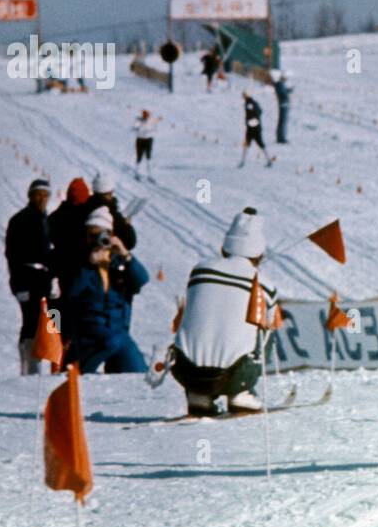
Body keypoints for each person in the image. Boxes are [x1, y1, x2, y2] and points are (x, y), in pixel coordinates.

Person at [171, 207, 278, 415]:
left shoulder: (200, 269)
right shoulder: (264, 284)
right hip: (234, 373)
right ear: (259, 253)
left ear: (224, 247)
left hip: (185, 371)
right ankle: (241, 394)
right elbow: (269, 321)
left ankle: (198, 396)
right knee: (264, 330)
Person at [60, 207, 150, 373]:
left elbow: (142, 279)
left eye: (101, 235)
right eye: (92, 235)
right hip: (89, 333)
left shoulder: (118, 261)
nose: (96, 240)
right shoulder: (78, 261)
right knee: (78, 372)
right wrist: (88, 265)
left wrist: (125, 254)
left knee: (138, 370)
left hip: (118, 332)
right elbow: (70, 292)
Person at [4, 179, 56, 374]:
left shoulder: (47, 220)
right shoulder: (20, 220)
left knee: (47, 321)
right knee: (31, 321)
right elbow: (13, 255)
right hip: (27, 278)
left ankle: (41, 363)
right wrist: (19, 285)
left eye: (45, 194)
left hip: (44, 278)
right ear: (30, 196)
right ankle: (29, 365)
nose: (42, 198)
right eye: (38, 194)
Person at [49, 177, 93, 289]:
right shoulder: (91, 215)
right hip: (86, 269)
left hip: (62, 269)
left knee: (60, 304)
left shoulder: (57, 216)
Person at [85, 172, 138, 251]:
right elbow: (130, 242)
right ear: (109, 192)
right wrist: (128, 225)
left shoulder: (86, 204)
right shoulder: (110, 212)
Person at [239, 91, 274, 166]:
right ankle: (268, 160)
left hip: (252, 127)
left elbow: (251, 113)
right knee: (260, 143)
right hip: (257, 126)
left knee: (248, 143)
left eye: (244, 95)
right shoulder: (255, 103)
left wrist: (250, 121)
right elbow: (260, 111)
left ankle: (242, 162)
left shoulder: (249, 104)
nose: (243, 97)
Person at [133, 109, 158, 177]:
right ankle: (136, 172)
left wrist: (147, 131)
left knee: (148, 156)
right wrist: (139, 129)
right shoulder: (138, 120)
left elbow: (155, 130)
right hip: (140, 140)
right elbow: (134, 128)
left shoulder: (151, 121)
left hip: (148, 140)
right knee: (139, 156)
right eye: (144, 114)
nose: (145, 116)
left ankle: (150, 174)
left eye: (147, 114)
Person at [270, 70, 293, 143]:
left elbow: (284, 91)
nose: (285, 79)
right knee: (282, 121)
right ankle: (281, 138)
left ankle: (281, 137)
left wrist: (289, 90)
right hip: (283, 104)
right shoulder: (279, 84)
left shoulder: (280, 84)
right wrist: (287, 92)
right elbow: (283, 94)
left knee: (283, 121)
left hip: (284, 104)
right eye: (284, 78)